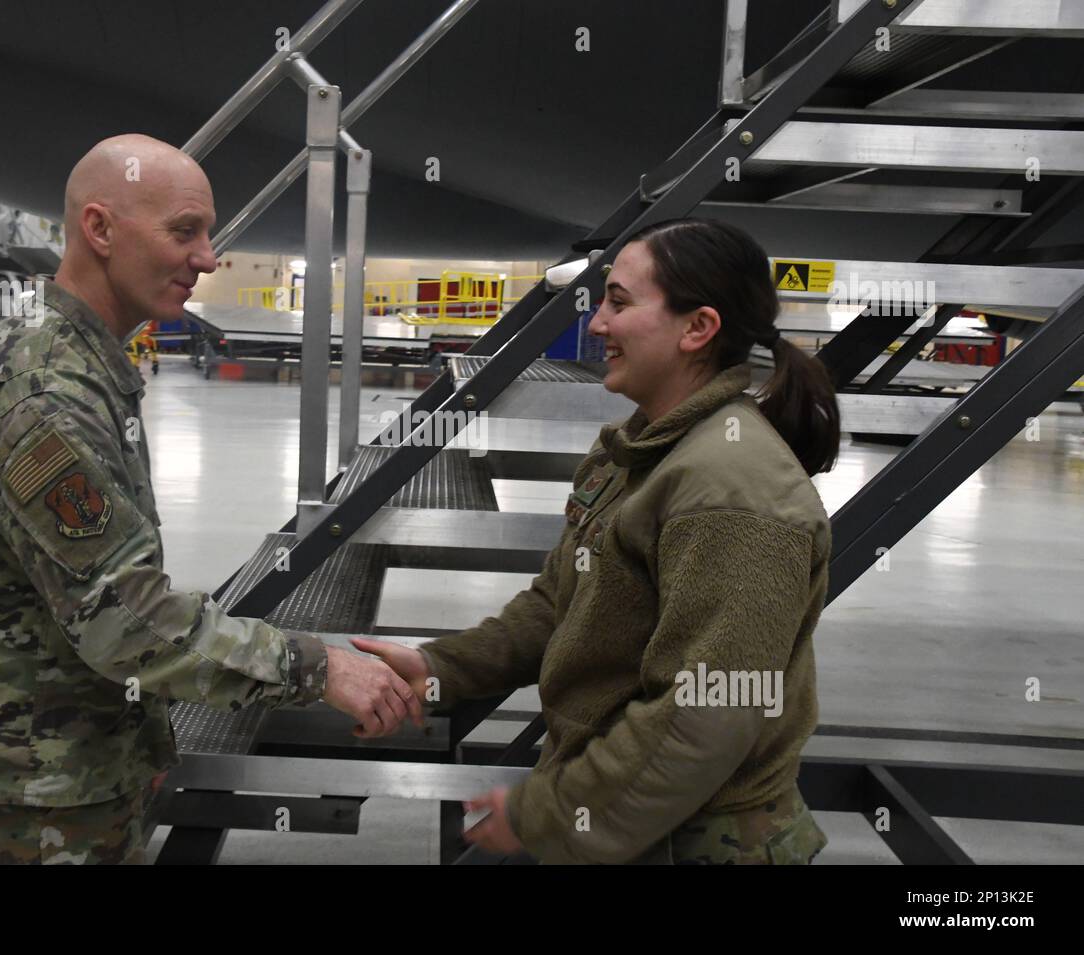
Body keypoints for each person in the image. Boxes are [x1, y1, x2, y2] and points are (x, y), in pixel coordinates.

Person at [0, 133, 419, 865]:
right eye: (185, 231)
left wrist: (143, 734)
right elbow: (124, 618)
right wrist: (319, 667)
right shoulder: (46, 394)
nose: (208, 258)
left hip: (69, 760)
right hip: (39, 789)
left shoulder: (78, 361)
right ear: (99, 229)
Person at [356, 218, 838, 864]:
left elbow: (702, 717)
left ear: (698, 328)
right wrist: (444, 666)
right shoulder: (636, 452)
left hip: (696, 838)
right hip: (633, 814)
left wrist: (545, 813)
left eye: (619, 302)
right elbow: (559, 605)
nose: (599, 325)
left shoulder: (732, 489)